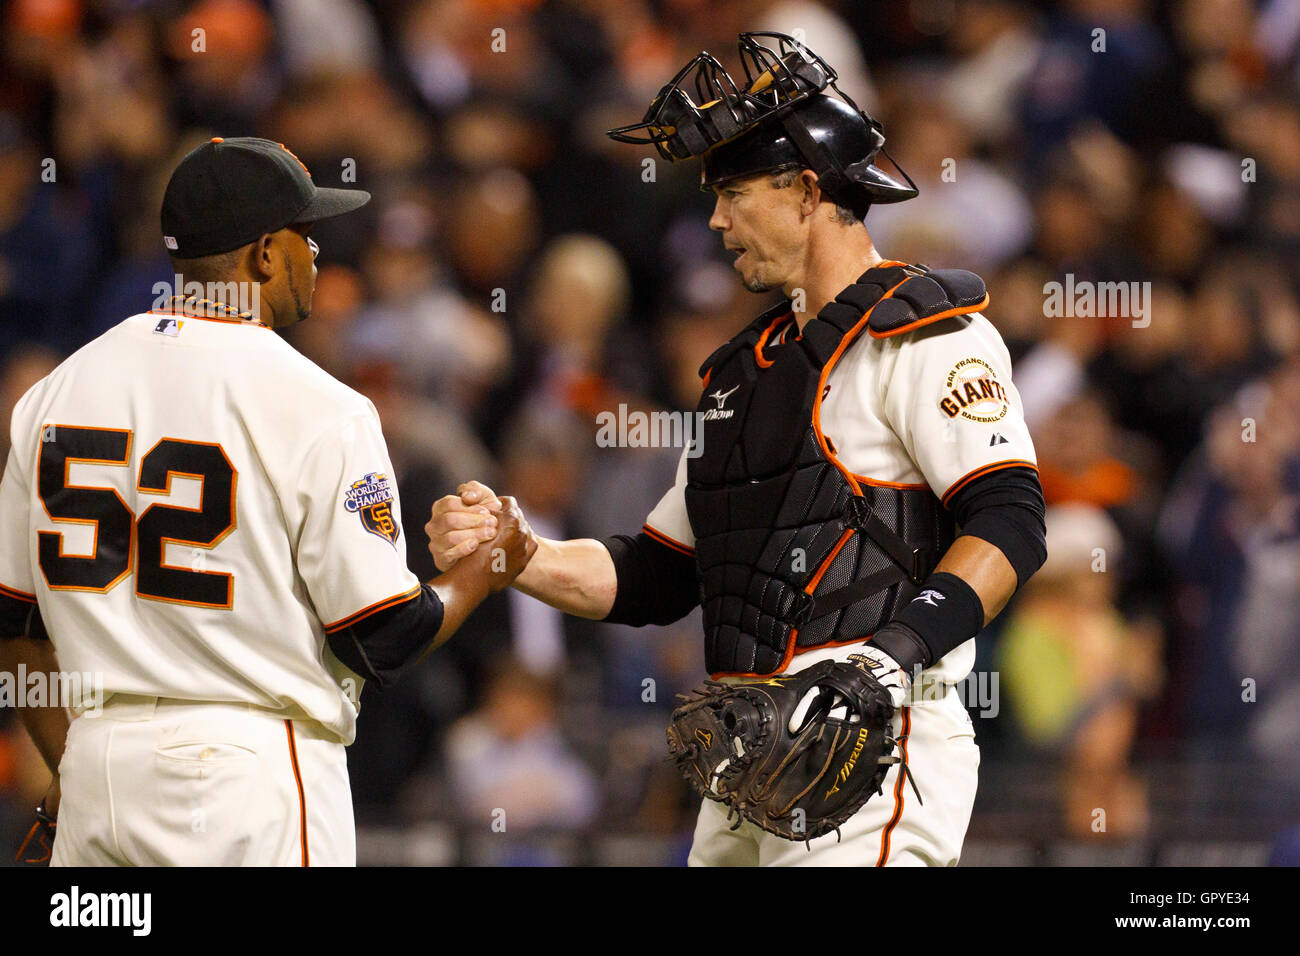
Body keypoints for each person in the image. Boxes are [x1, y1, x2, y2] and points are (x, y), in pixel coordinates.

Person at [428, 34, 1047, 867]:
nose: (717, 219)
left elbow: (1009, 523)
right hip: (750, 761)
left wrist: (887, 662)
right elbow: (656, 572)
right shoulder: (743, 375)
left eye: (733, 193)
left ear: (806, 189)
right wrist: (520, 553)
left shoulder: (924, 334)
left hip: (874, 746)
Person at [0, 137, 534, 866]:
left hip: (100, 768)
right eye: (303, 236)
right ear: (262, 254)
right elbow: (382, 634)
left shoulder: (55, 391)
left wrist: (71, 762)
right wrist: (485, 568)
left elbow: (15, 623)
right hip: (250, 775)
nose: (315, 254)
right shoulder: (320, 406)